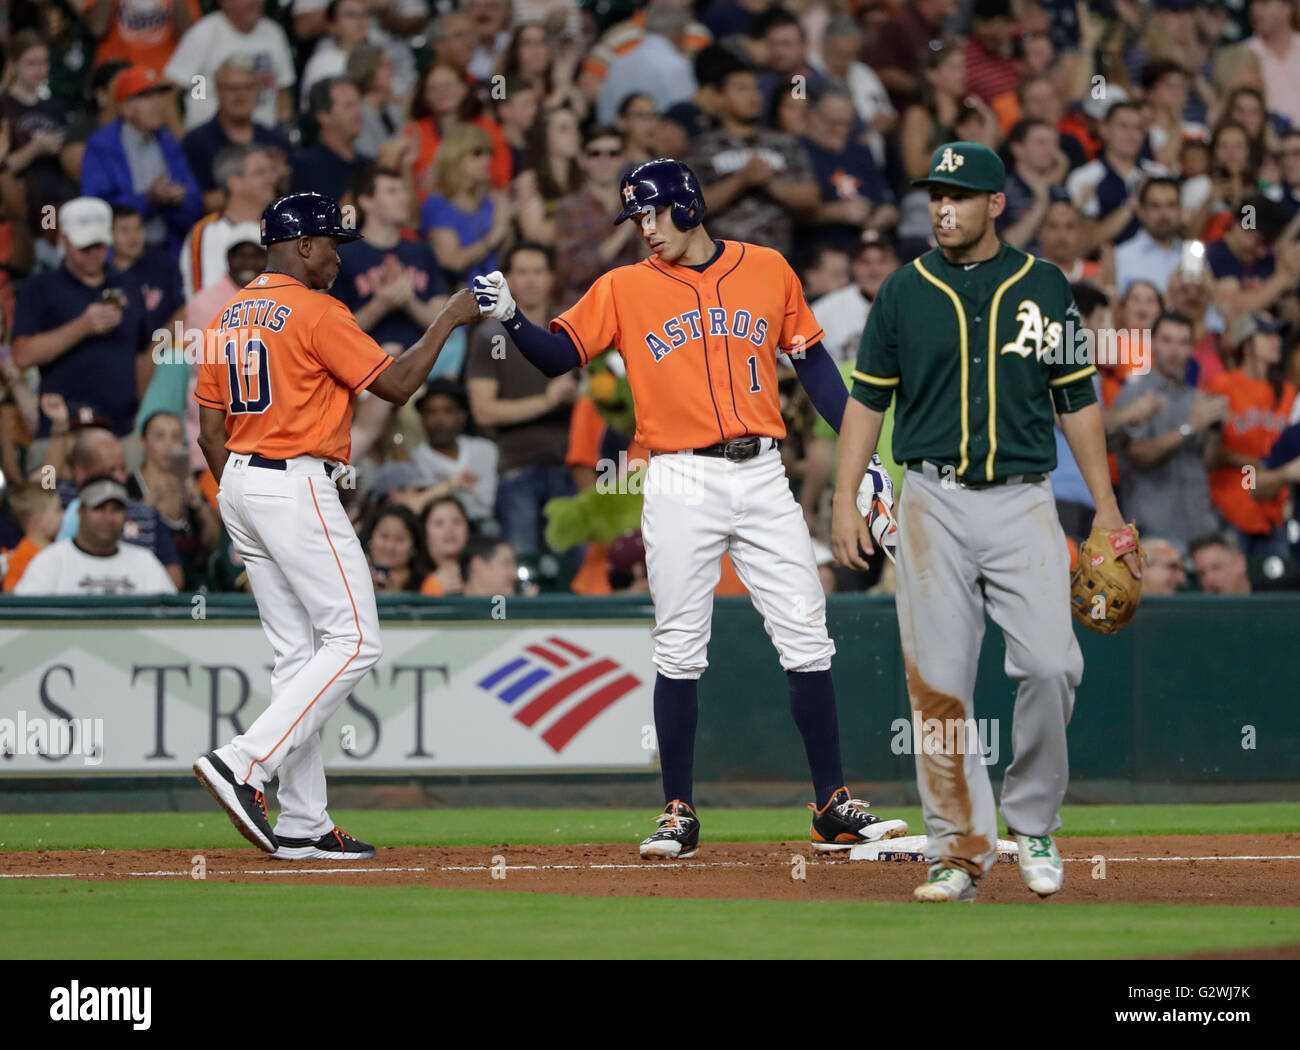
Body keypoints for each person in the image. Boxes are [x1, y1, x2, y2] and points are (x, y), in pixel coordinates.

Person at [470, 157, 908, 860]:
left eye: (651, 213)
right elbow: (558, 356)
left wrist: (867, 461)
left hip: (764, 471)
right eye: (635, 218)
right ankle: (677, 810)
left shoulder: (769, 269)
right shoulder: (622, 287)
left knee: (807, 633)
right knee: (678, 645)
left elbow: (817, 368)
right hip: (677, 477)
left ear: (689, 206)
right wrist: (512, 317)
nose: (643, 228)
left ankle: (831, 804)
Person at [831, 141, 1138, 904]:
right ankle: (957, 853)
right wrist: (844, 501)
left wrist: (1108, 511)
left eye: (959, 195)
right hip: (930, 500)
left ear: (997, 203)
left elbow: (1079, 401)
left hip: (1022, 499)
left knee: (1051, 665)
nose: (943, 207)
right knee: (939, 686)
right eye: (936, 193)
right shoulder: (902, 290)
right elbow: (866, 400)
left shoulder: (1047, 285)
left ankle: (1032, 818)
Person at [190, 190, 479, 859]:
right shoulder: (316, 310)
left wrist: (239, 495)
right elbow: (398, 385)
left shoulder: (227, 315)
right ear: (303, 246)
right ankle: (244, 762)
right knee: (355, 641)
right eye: (331, 246)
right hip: (294, 479)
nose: (338, 260)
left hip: (239, 478)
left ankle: (304, 822)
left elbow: (208, 431)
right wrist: (449, 318)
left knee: (298, 656)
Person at [466, 243, 578, 561]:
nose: (531, 280)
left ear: (552, 278)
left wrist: (584, 395)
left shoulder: (571, 327)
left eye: (539, 272)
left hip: (572, 467)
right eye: (522, 272)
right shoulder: (489, 335)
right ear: (509, 280)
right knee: (521, 569)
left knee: (577, 571)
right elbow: (484, 412)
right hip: (517, 469)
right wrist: (548, 401)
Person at [12, 197, 152, 444]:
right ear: (64, 240)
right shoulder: (40, 287)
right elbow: (22, 355)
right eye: (84, 246)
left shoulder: (128, 283)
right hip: (62, 433)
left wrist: (138, 407)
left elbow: (144, 352)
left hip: (122, 431)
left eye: (99, 244)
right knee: (50, 483)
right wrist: (83, 326)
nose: (93, 253)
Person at [1114, 311, 1227, 552]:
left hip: (1200, 528)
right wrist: (1189, 427)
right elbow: (1138, 455)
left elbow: (1210, 462)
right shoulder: (1135, 394)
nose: (1175, 350)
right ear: (1152, 342)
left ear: (1191, 348)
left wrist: (1216, 429)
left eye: (1183, 342)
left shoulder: (1197, 398)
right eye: (1167, 340)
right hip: (1153, 528)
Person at [686, 64, 819, 260]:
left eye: (755, 88)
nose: (754, 96)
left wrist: (770, 184)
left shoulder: (784, 143)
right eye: (742, 89)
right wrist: (740, 181)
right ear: (720, 98)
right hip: (722, 262)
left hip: (776, 260)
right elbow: (689, 207)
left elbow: (811, 198)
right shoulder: (702, 147)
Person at [80, 66, 203, 256]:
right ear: (124, 106)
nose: (157, 104)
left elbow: (195, 203)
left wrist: (176, 200)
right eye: (146, 97)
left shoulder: (169, 142)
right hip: (119, 257)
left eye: (159, 96)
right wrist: (148, 200)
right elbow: (95, 209)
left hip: (168, 250)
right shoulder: (103, 145)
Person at [1204, 313, 1296, 557]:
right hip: (1231, 508)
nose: (1276, 341)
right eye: (1267, 335)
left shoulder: (1286, 392)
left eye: (1277, 335)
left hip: (1273, 512)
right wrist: (1254, 462)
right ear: (1246, 344)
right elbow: (1209, 454)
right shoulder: (1223, 385)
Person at [52, 426, 185, 589]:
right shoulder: (58, 500)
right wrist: (58, 432)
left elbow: (173, 580)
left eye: (123, 469)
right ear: (81, 472)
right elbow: (42, 479)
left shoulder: (147, 512)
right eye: (111, 470)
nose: (121, 478)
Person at [14, 475, 176, 596]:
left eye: (116, 509)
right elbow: (23, 623)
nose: (107, 517)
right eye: (99, 507)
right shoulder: (50, 561)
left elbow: (170, 624)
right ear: (80, 512)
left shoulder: (145, 562)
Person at [179, 56, 293, 212]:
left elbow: (289, 197)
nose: (241, 95)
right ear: (218, 91)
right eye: (232, 88)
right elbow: (195, 202)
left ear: (258, 90)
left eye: (248, 87)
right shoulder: (196, 142)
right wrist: (258, 184)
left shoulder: (276, 140)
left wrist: (281, 180)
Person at [164, 0, 296, 131]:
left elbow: (283, 92)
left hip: (263, 137)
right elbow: (167, 95)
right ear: (224, 3)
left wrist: (283, 131)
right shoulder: (203, 33)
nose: (256, 3)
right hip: (210, 140)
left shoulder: (273, 32)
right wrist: (182, 144)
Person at [129, 410, 222, 588]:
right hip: (144, 582)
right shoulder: (130, 487)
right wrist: (146, 506)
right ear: (143, 443)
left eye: (175, 437)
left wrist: (200, 506)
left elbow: (213, 543)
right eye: (160, 437)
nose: (168, 444)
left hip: (194, 586)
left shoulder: (191, 486)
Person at [800, 84, 897, 255]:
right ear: (812, 115)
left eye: (846, 124)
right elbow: (792, 214)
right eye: (832, 122)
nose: (839, 131)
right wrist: (837, 212)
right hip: (819, 250)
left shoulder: (860, 151)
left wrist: (884, 215)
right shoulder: (798, 152)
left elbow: (888, 203)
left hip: (867, 247)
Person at [553, 125, 642, 309]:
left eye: (613, 153)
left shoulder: (639, 202)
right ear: (582, 160)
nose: (604, 160)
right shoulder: (569, 208)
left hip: (631, 305)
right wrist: (624, 232)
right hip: (584, 308)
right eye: (595, 154)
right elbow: (572, 271)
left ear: (624, 159)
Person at [419, 124, 512, 287]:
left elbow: (502, 256)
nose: (486, 160)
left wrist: (505, 218)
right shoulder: (439, 203)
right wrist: (495, 234)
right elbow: (451, 261)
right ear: (455, 156)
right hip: (457, 297)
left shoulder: (488, 202)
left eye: (488, 154)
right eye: (477, 154)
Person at [180, 144, 277, 300]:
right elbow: (203, 303)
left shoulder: (283, 229)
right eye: (260, 173)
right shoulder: (207, 232)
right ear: (234, 182)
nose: (271, 178)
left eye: (271, 171)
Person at [1066, 100, 1167, 249]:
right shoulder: (1085, 177)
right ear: (1104, 129)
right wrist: (1135, 202)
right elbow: (1087, 242)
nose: (1132, 134)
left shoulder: (1159, 174)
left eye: (1139, 128)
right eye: (1123, 126)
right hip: (1105, 265)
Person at [411, 378, 498, 529]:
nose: (439, 420)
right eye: (431, 412)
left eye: (448, 411)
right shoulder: (413, 460)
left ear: (462, 416)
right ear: (422, 418)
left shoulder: (486, 450)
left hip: (491, 527)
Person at [810, 232, 898, 365]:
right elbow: (791, 358)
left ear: (896, 263)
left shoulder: (915, 304)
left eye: (882, 261)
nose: (874, 270)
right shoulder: (825, 309)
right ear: (853, 267)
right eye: (865, 262)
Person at [291, 77, 372, 203]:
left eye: (358, 103)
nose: (358, 112)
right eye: (348, 106)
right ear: (323, 116)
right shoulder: (304, 167)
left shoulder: (368, 164)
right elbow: (337, 220)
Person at [997, 117, 1070, 255]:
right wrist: (1041, 204)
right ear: (1017, 149)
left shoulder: (1059, 191)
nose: (1050, 150)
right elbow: (1003, 248)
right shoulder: (1001, 191)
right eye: (1041, 142)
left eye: (1054, 143)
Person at [1114, 176, 1186, 294]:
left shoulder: (1192, 257)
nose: (1164, 214)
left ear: (1180, 210)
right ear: (1141, 212)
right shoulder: (1121, 257)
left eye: (1171, 205)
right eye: (1155, 206)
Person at [1, 482, 63, 592]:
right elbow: (11, 595)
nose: (64, 514)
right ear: (38, 520)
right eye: (58, 509)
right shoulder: (22, 556)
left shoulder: (61, 548)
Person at [361, 502, 432, 593]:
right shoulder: (352, 578)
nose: (390, 546)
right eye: (384, 536)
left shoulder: (429, 585)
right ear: (370, 538)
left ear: (414, 546)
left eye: (400, 539)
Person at [420, 494, 470, 595]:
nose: (449, 529)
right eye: (439, 523)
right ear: (425, 533)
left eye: (456, 521)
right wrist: (432, 587)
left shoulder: (481, 572)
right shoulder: (411, 577)